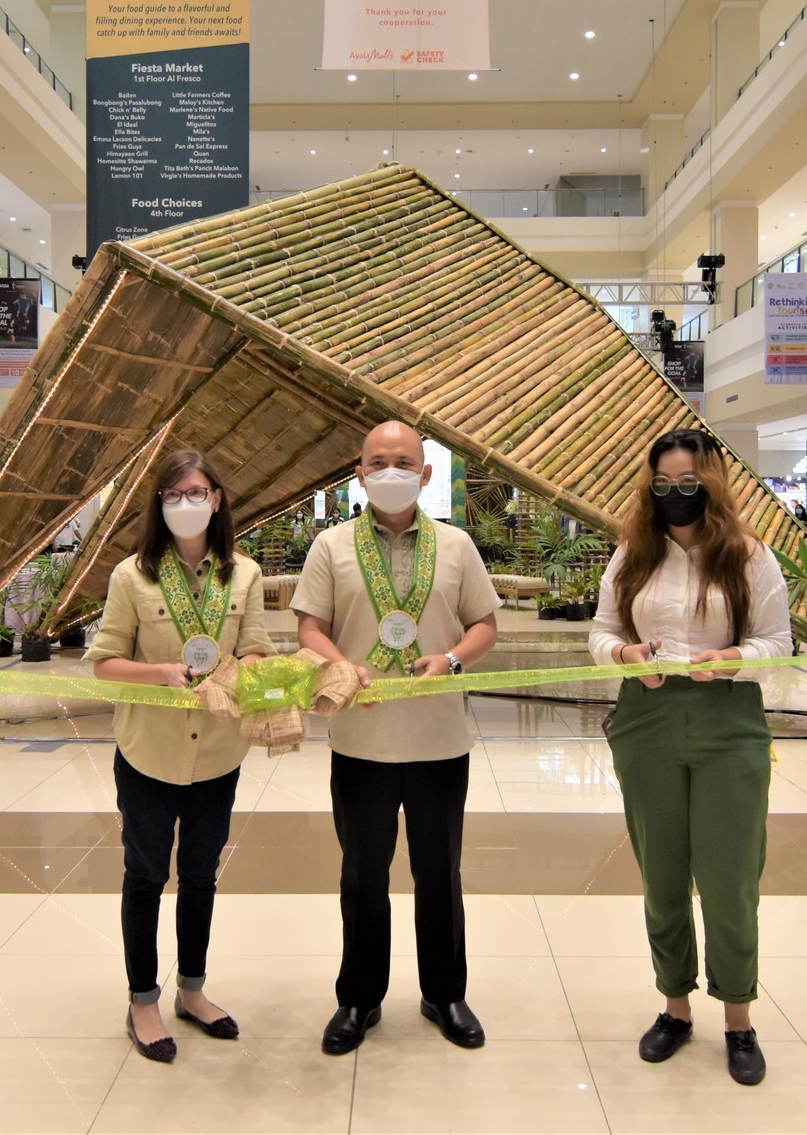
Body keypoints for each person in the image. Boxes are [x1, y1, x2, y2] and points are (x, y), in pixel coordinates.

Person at [292, 421, 501, 1056]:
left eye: (403, 461)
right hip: (361, 743)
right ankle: (358, 997)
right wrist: (341, 665)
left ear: (425, 474)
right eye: (377, 461)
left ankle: (445, 993)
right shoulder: (330, 546)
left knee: (441, 873)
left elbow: (485, 624)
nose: (390, 470)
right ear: (358, 472)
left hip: (440, 742)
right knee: (362, 876)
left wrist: (453, 660)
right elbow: (310, 628)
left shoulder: (458, 545)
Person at [588, 429, 791, 1083]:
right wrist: (623, 655)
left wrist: (732, 658)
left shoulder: (749, 556)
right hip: (646, 721)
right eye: (663, 485)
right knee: (663, 876)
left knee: (731, 879)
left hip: (728, 723)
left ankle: (739, 1017)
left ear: (713, 485)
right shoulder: (632, 553)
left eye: (688, 484)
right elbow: (602, 630)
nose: (675, 496)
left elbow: (777, 644)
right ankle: (674, 1007)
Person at [88, 450, 273, 1063]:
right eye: (173, 496)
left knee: (200, 875)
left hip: (219, 753)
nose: (186, 504)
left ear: (217, 500)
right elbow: (106, 663)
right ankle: (143, 1000)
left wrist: (241, 670)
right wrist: (165, 673)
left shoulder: (242, 574)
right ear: (159, 505)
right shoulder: (130, 577)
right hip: (148, 751)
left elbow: (258, 652)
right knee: (145, 876)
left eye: (197, 493)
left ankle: (192, 992)